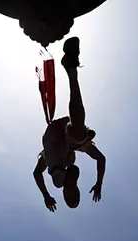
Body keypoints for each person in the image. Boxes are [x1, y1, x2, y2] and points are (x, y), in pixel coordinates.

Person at [33, 37, 106, 212]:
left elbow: (37, 173)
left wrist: (46, 195)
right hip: (63, 132)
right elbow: (101, 158)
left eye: (70, 195)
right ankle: (71, 70)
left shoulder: (58, 178)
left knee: (78, 141)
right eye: (76, 194)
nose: (73, 192)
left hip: (55, 137)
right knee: (79, 137)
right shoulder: (71, 156)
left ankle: (71, 70)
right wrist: (98, 183)